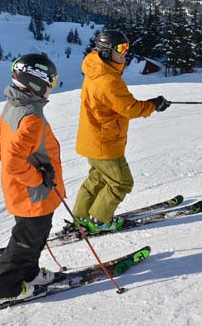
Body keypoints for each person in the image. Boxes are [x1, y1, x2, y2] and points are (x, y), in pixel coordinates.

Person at [71, 30, 170, 234]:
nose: (126, 52)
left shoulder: (96, 69)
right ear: (107, 51)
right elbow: (130, 108)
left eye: (127, 47)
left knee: (98, 178)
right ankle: (100, 221)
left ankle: (80, 217)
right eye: (121, 49)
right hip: (105, 141)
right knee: (121, 182)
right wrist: (154, 104)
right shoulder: (107, 80)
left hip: (93, 138)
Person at [0, 53, 65, 302]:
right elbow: (13, 160)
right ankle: (4, 290)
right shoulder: (31, 116)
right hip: (33, 193)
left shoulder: (14, 104)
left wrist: (22, 170)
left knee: (36, 237)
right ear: (37, 82)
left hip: (24, 189)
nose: (52, 88)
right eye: (51, 82)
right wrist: (36, 177)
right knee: (25, 242)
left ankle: (29, 273)